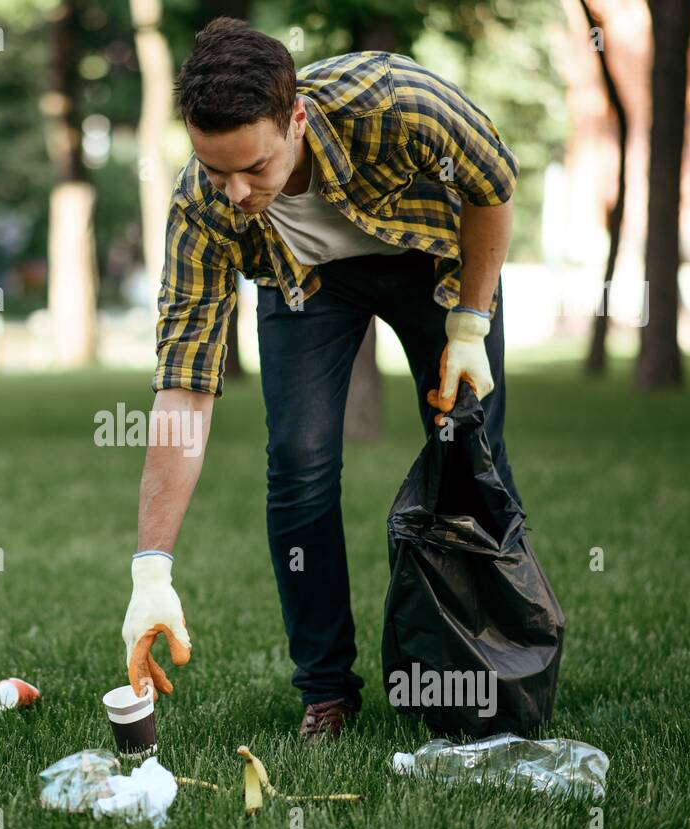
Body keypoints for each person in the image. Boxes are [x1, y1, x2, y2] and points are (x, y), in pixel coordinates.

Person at [120, 18, 524, 742]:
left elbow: (493, 181)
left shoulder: (397, 103)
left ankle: (486, 672)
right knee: (300, 463)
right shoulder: (201, 207)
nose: (236, 192)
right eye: (216, 170)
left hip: (432, 261)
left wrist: (471, 324)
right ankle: (327, 691)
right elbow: (183, 387)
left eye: (255, 168)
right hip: (305, 285)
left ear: (296, 118)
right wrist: (152, 569)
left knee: (468, 453)